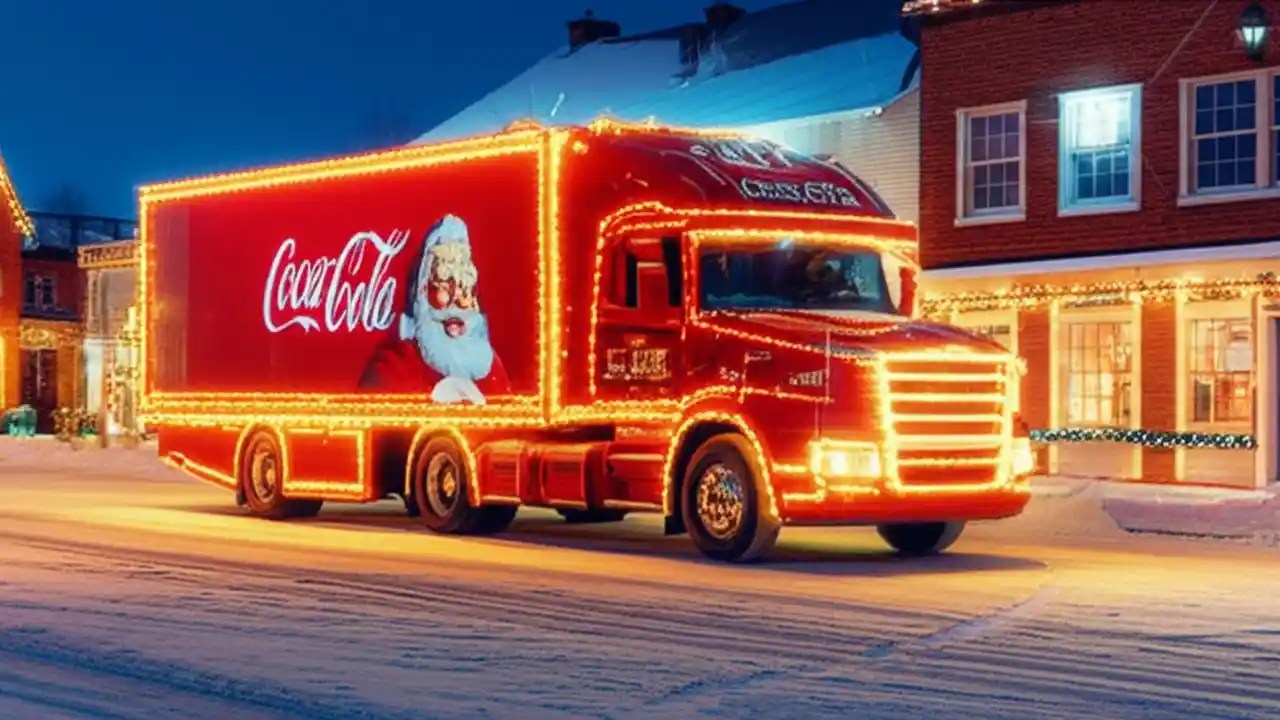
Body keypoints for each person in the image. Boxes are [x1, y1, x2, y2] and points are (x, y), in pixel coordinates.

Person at [358, 214, 510, 403]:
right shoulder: (395, 366)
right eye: (445, 287)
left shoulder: (490, 367)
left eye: (465, 289)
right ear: (423, 291)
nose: (457, 302)